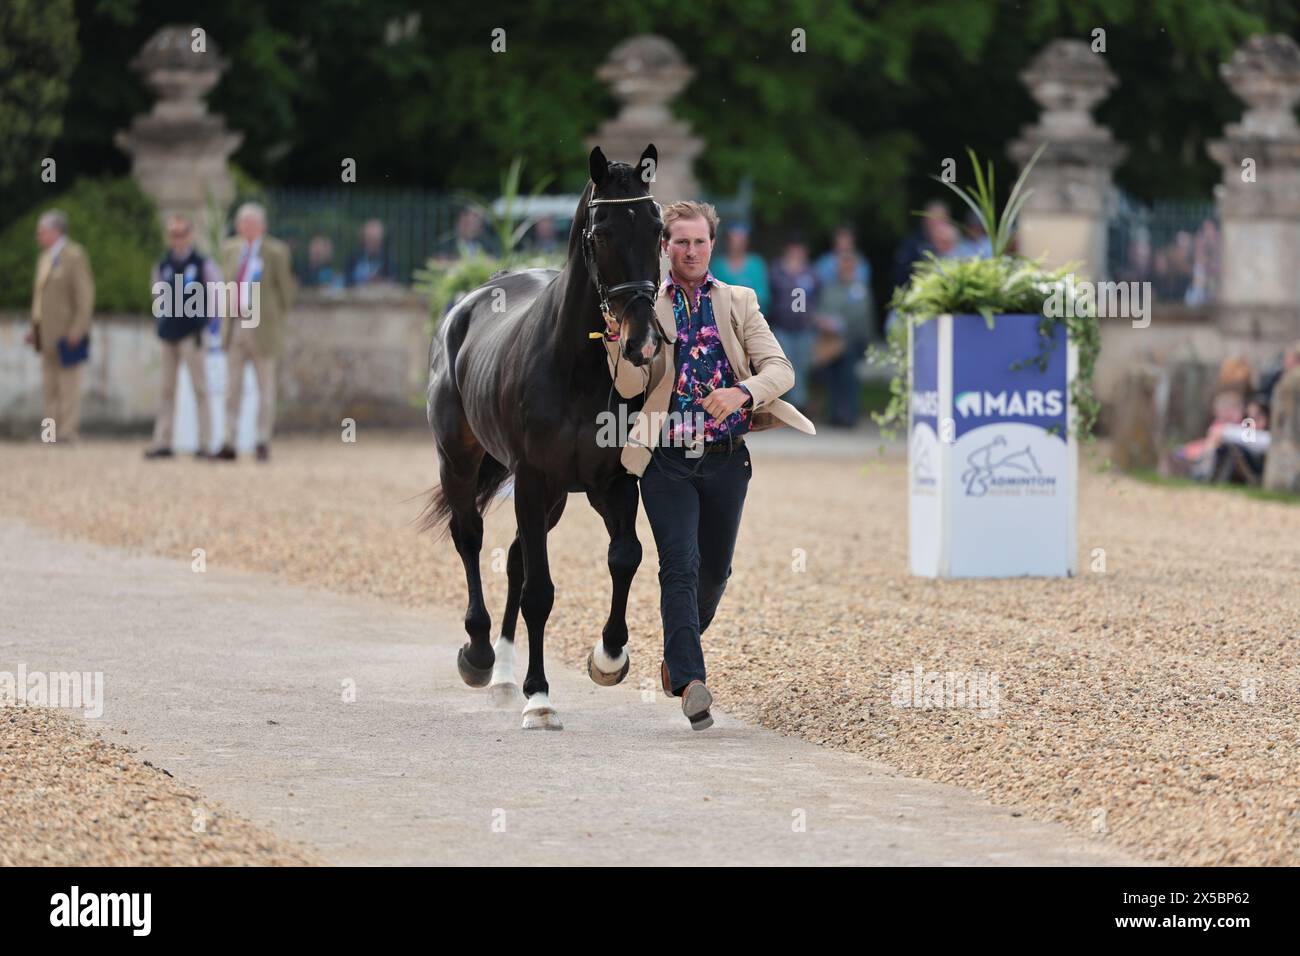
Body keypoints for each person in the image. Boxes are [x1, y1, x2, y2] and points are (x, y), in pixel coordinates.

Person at [600, 200, 815, 731]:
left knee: (715, 572)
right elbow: (628, 388)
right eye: (680, 242)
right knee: (679, 565)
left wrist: (741, 392)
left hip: (725, 461)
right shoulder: (646, 307)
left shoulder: (740, 301)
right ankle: (693, 683)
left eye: (699, 242)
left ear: (712, 245)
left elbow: (780, 369)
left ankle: (678, 653)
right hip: (665, 460)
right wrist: (615, 347)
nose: (690, 251)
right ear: (664, 247)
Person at [216, 202, 297, 463]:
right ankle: (229, 440)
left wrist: (274, 318)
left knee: (265, 388)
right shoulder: (229, 249)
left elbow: (285, 290)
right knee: (232, 388)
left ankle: (262, 440)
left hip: (262, 326)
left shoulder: (275, 251)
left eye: (251, 223)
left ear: (262, 226)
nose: (246, 228)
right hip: (236, 324)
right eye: (243, 223)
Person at [145, 215, 222, 459]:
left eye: (181, 233)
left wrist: (210, 325)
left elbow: (216, 294)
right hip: (169, 333)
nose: (176, 239)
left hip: (192, 333)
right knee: (166, 389)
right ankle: (163, 441)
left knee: (200, 388)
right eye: (173, 234)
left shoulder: (202, 264)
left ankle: (204, 443)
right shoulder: (163, 265)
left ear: (189, 235)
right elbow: (157, 296)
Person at [26, 209, 94, 444]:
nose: (38, 235)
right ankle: (50, 433)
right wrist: (33, 327)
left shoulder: (74, 255)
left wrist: (78, 328)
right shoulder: (44, 259)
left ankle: (67, 432)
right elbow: (39, 298)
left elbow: (84, 296)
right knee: (49, 387)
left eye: (41, 231)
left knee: (68, 387)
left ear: (56, 231)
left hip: (68, 334)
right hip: (46, 334)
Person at [816, 250, 876, 427]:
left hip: (853, 340)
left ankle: (849, 415)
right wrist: (823, 321)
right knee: (832, 376)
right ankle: (835, 414)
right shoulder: (831, 287)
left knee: (847, 375)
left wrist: (838, 325)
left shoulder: (860, 288)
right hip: (831, 341)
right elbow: (822, 307)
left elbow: (860, 314)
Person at [767, 236, 819, 411]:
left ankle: (796, 405)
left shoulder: (811, 273)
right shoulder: (776, 271)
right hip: (781, 326)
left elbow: (816, 297)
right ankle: (786, 405)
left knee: (801, 365)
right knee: (783, 365)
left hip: (804, 328)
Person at [710, 222, 771, 313]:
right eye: (734, 238)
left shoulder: (756, 264)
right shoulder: (717, 266)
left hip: (753, 320)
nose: (737, 243)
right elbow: (712, 296)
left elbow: (763, 296)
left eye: (741, 239)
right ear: (727, 240)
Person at [345, 219, 394, 286]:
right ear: (363, 239)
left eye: (376, 239)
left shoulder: (387, 260)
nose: (373, 243)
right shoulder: (353, 258)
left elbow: (392, 281)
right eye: (370, 239)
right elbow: (347, 282)